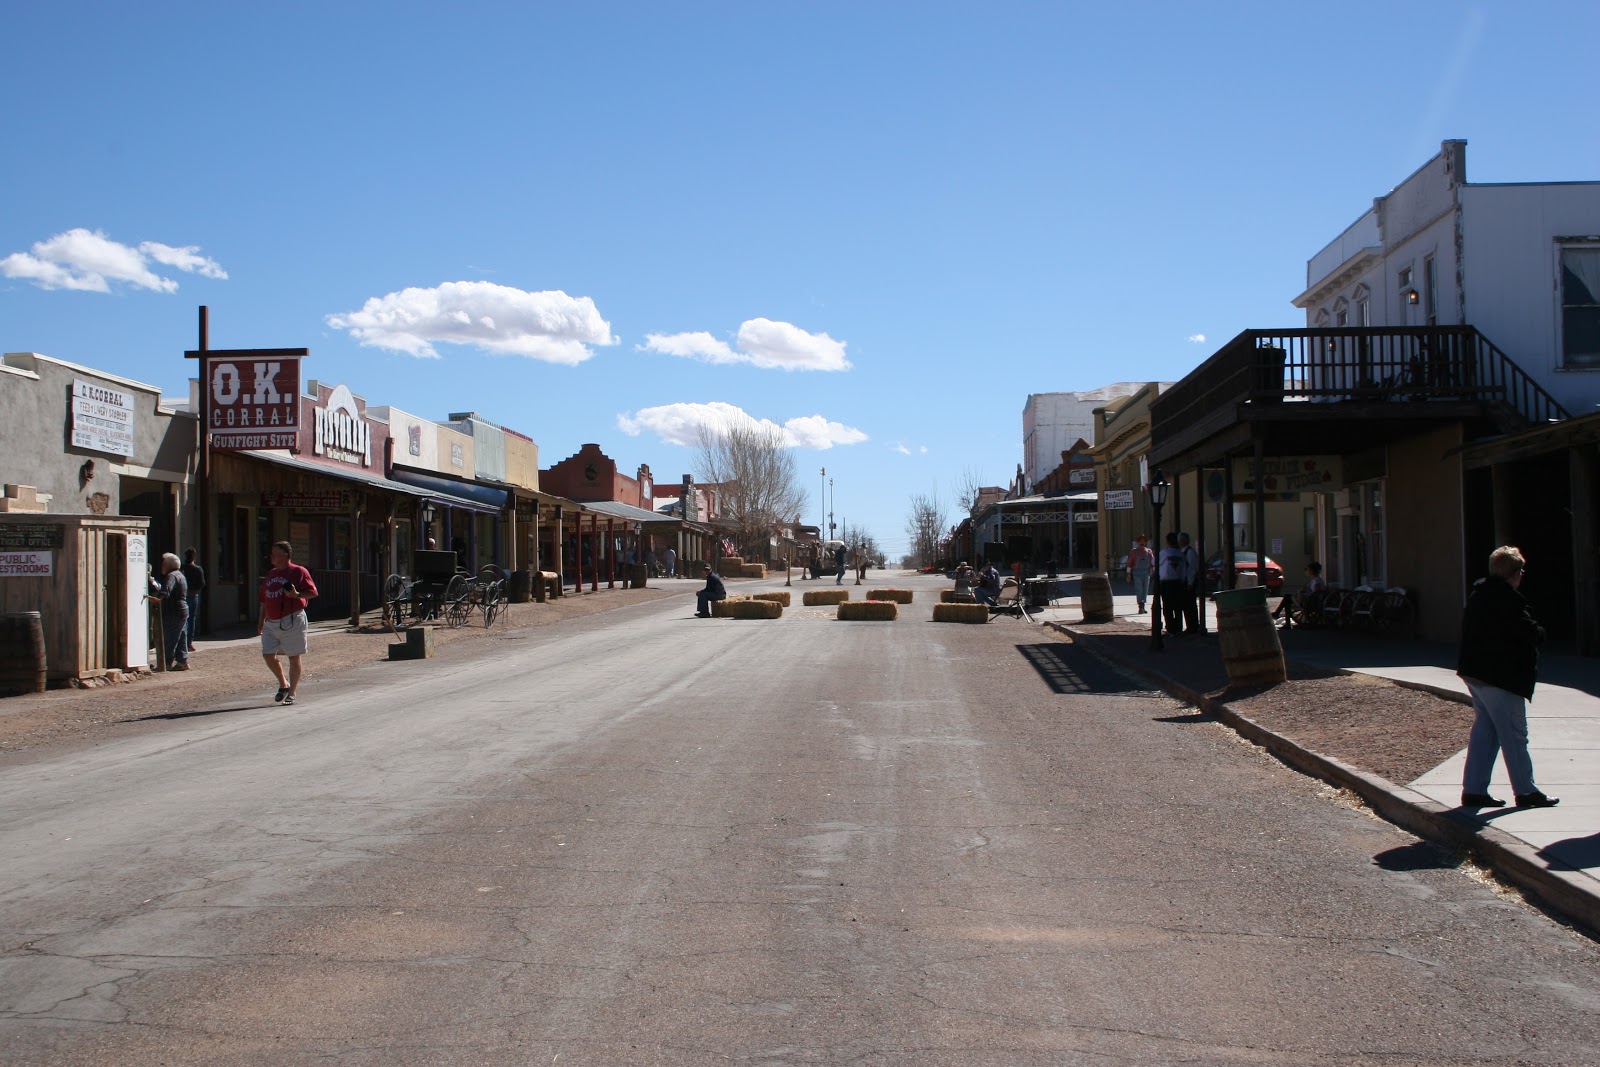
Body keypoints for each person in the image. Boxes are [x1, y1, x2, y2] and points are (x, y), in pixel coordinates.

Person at [1456, 546, 1558, 810]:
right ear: (1514, 574)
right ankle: (1526, 791)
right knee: (1514, 736)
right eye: (1521, 570)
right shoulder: (1507, 600)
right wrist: (1541, 632)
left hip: (1476, 674)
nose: (1522, 575)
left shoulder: (1479, 595)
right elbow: (1530, 633)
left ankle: (1474, 790)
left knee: (1485, 732)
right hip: (1501, 677)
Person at [259, 540, 318, 706]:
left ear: (284, 555)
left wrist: (297, 595)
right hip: (271, 622)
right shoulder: (272, 574)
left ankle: (292, 692)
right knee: (268, 654)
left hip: (292, 619)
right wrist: (261, 621)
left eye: (275, 553)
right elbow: (264, 600)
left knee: (293, 656)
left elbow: (312, 593)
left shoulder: (299, 571)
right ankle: (283, 683)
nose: (271, 557)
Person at [147, 552, 190, 671]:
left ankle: (165, 663)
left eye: (163, 564)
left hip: (173, 611)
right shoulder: (180, 574)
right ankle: (182, 661)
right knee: (180, 637)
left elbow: (166, 590)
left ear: (168, 565)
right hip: (182, 611)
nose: (162, 566)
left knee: (169, 639)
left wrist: (157, 599)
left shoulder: (171, 576)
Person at [1276, 561, 1325, 629]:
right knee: (1287, 599)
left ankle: (1281, 617)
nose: (1306, 571)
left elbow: (1316, 593)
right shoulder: (1314, 580)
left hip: (1310, 602)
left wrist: (1303, 592)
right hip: (1308, 600)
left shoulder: (1317, 581)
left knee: (1287, 598)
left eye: (1307, 569)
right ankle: (1283, 618)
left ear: (1311, 571)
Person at [1157, 532, 1186, 637]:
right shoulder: (1180, 554)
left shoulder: (1163, 553)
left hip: (1167, 582)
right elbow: (1184, 570)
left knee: (1167, 607)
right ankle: (1178, 628)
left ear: (1167, 542)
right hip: (1178, 582)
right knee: (1178, 607)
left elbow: (1154, 564)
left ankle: (1170, 629)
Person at [180, 546, 205, 652]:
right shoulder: (197, 569)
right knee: (191, 619)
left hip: (183, 595)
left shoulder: (182, 568)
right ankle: (189, 642)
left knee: (183, 619)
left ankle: (182, 642)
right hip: (193, 595)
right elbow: (202, 583)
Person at [1178, 532, 1200, 634]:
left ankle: (1193, 626)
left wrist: (1190, 583)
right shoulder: (1182, 551)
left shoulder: (1190, 552)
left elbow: (1192, 569)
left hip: (1188, 582)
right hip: (1183, 581)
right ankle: (1189, 625)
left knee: (1190, 605)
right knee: (1185, 605)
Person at [1127, 535, 1155, 614]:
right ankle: (1140, 606)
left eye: (1143, 541)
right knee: (1138, 589)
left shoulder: (1149, 551)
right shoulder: (1134, 552)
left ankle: (1143, 605)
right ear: (1138, 542)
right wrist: (1128, 573)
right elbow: (1130, 563)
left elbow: (1152, 563)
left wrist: (1153, 572)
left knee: (1145, 589)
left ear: (1146, 542)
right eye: (1140, 541)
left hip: (1146, 573)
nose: (1142, 542)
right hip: (1137, 572)